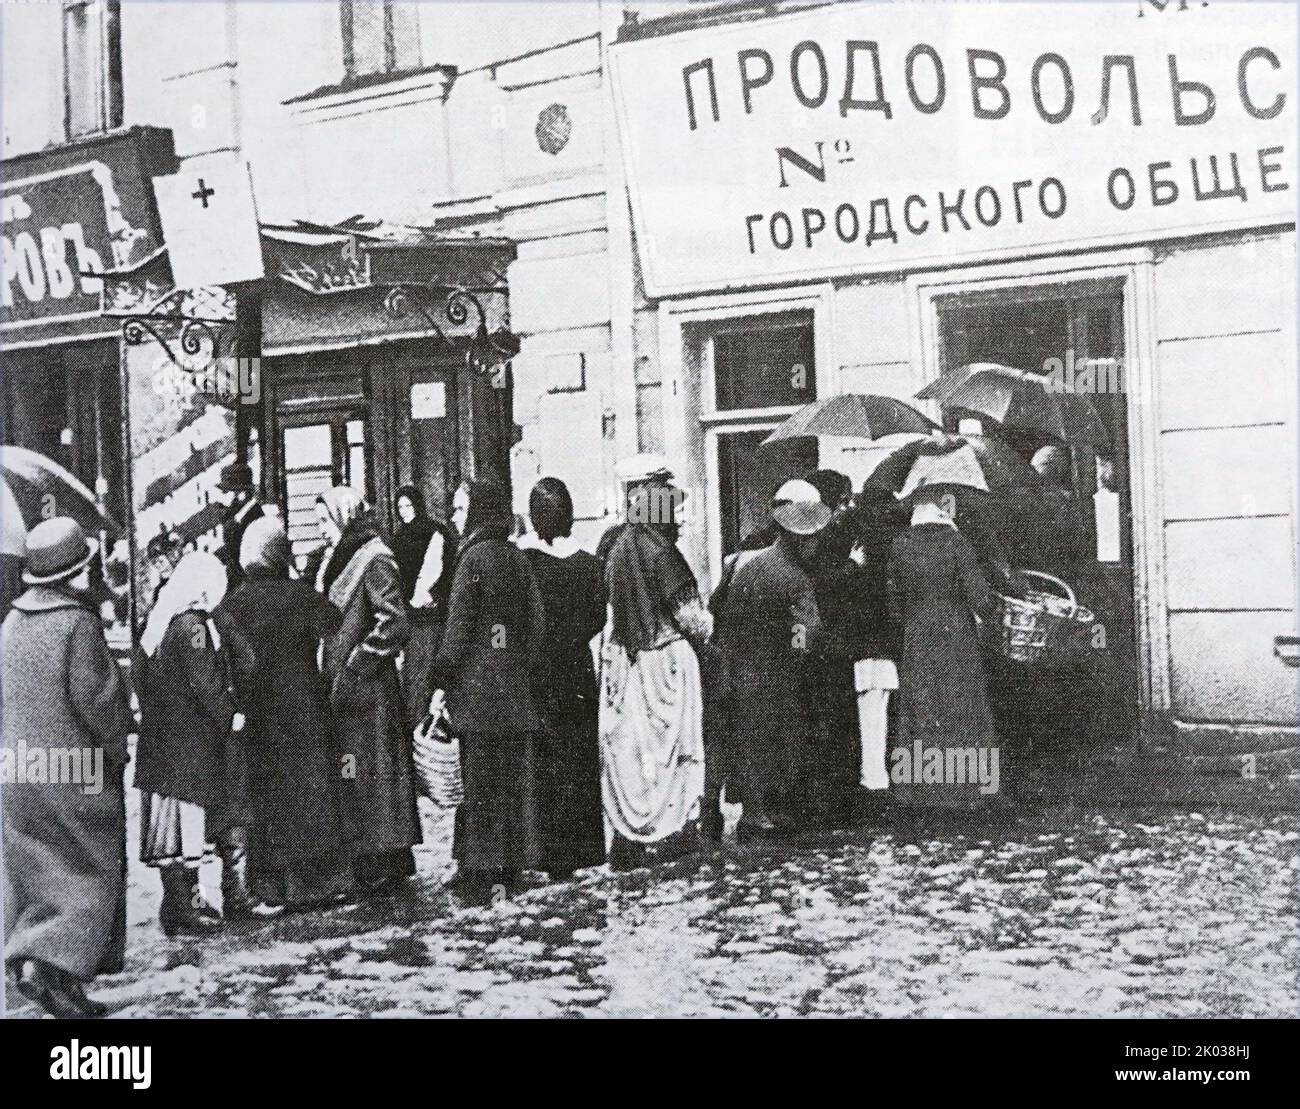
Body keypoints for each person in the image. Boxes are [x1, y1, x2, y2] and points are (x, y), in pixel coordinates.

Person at [2, 518, 133, 1017]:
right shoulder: (77, 625)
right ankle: (49, 969)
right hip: (76, 772)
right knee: (89, 873)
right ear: (77, 572)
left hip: (19, 772)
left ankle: (53, 977)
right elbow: (99, 705)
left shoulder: (10, 625)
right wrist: (117, 749)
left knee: (40, 875)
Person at [218, 518, 353, 909]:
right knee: (311, 794)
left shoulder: (233, 604)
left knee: (269, 798)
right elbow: (335, 624)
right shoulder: (301, 596)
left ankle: (270, 885)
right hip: (306, 709)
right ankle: (318, 883)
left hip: (259, 715)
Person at [432, 480, 547, 903]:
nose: (455, 517)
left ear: (477, 512)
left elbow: (458, 629)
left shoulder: (471, 560)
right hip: (514, 690)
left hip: (477, 691)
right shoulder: (517, 558)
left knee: (478, 780)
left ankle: (479, 865)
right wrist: (519, 666)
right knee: (512, 778)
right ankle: (512, 861)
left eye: (461, 509)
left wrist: (441, 680)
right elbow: (536, 627)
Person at [135, 551, 258, 934]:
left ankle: (179, 905)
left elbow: (141, 681)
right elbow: (205, 682)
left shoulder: (158, 623)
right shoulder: (193, 627)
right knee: (185, 828)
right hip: (187, 746)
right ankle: (185, 909)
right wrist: (231, 716)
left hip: (162, 741)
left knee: (170, 830)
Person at [600, 457, 710, 868]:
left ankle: (634, 833)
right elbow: (691, 620)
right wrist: (716, 625)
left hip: (631, 662)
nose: (677, 519)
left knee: (637, 753)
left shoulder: (618, 548)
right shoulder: (664, 554)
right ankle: (674, 829)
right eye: (672, 508)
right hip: (670, 661)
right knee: (677, 748)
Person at [315, 487, 420, 896]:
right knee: (361, 773)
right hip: (350, 689)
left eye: (326, 520)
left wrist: (358, 661)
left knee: (375, 775)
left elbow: (394, 622)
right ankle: (373, 855)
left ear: (344, 517)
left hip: (370, 690)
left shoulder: (375, 557)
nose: (322, 529)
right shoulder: (344, 555)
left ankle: (384, 857)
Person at [714, 480, 831, 839]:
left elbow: (718, 611)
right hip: (777, 674)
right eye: (810, 537)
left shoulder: (746, 566)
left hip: (741, 668)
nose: (815, 544)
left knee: (749, 740)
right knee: (779, 742)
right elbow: (805, 635)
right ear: (796, 535)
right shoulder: (795, 579)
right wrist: (801, 650)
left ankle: (752, 811)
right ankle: (764, 815)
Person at [885, 485, 1004, 814]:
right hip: (956, 635)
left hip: (917, 635)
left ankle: (918, 793)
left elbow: (893, 605)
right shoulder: (956, 542)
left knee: (920, 711)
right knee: (962, 708)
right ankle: (970, 790)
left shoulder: (899, 546)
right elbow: (980, 597)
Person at [518, 478, 606, 879]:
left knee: (545, 761)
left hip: (538, 674)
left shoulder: (526, 565)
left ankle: (548, 851)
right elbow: (597, 619)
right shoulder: (591, 565)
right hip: (576, 672)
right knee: (578, 757)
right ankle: (582, 849)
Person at [390, 484, 458, 733]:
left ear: (418, 505)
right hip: (410, 619)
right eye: (400, 507)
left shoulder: (436, 533)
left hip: (432, 618)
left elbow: (446, 571)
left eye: (408, 506)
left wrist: (433, 595)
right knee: (413, 681)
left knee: (428, 678)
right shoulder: (397, 539)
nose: (404, 511)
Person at [216, 462, 270, 588]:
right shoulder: (236, 513)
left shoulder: (253, 516)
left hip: (249, 581)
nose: (221, 497)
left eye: (225, 491)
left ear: (240, 493)